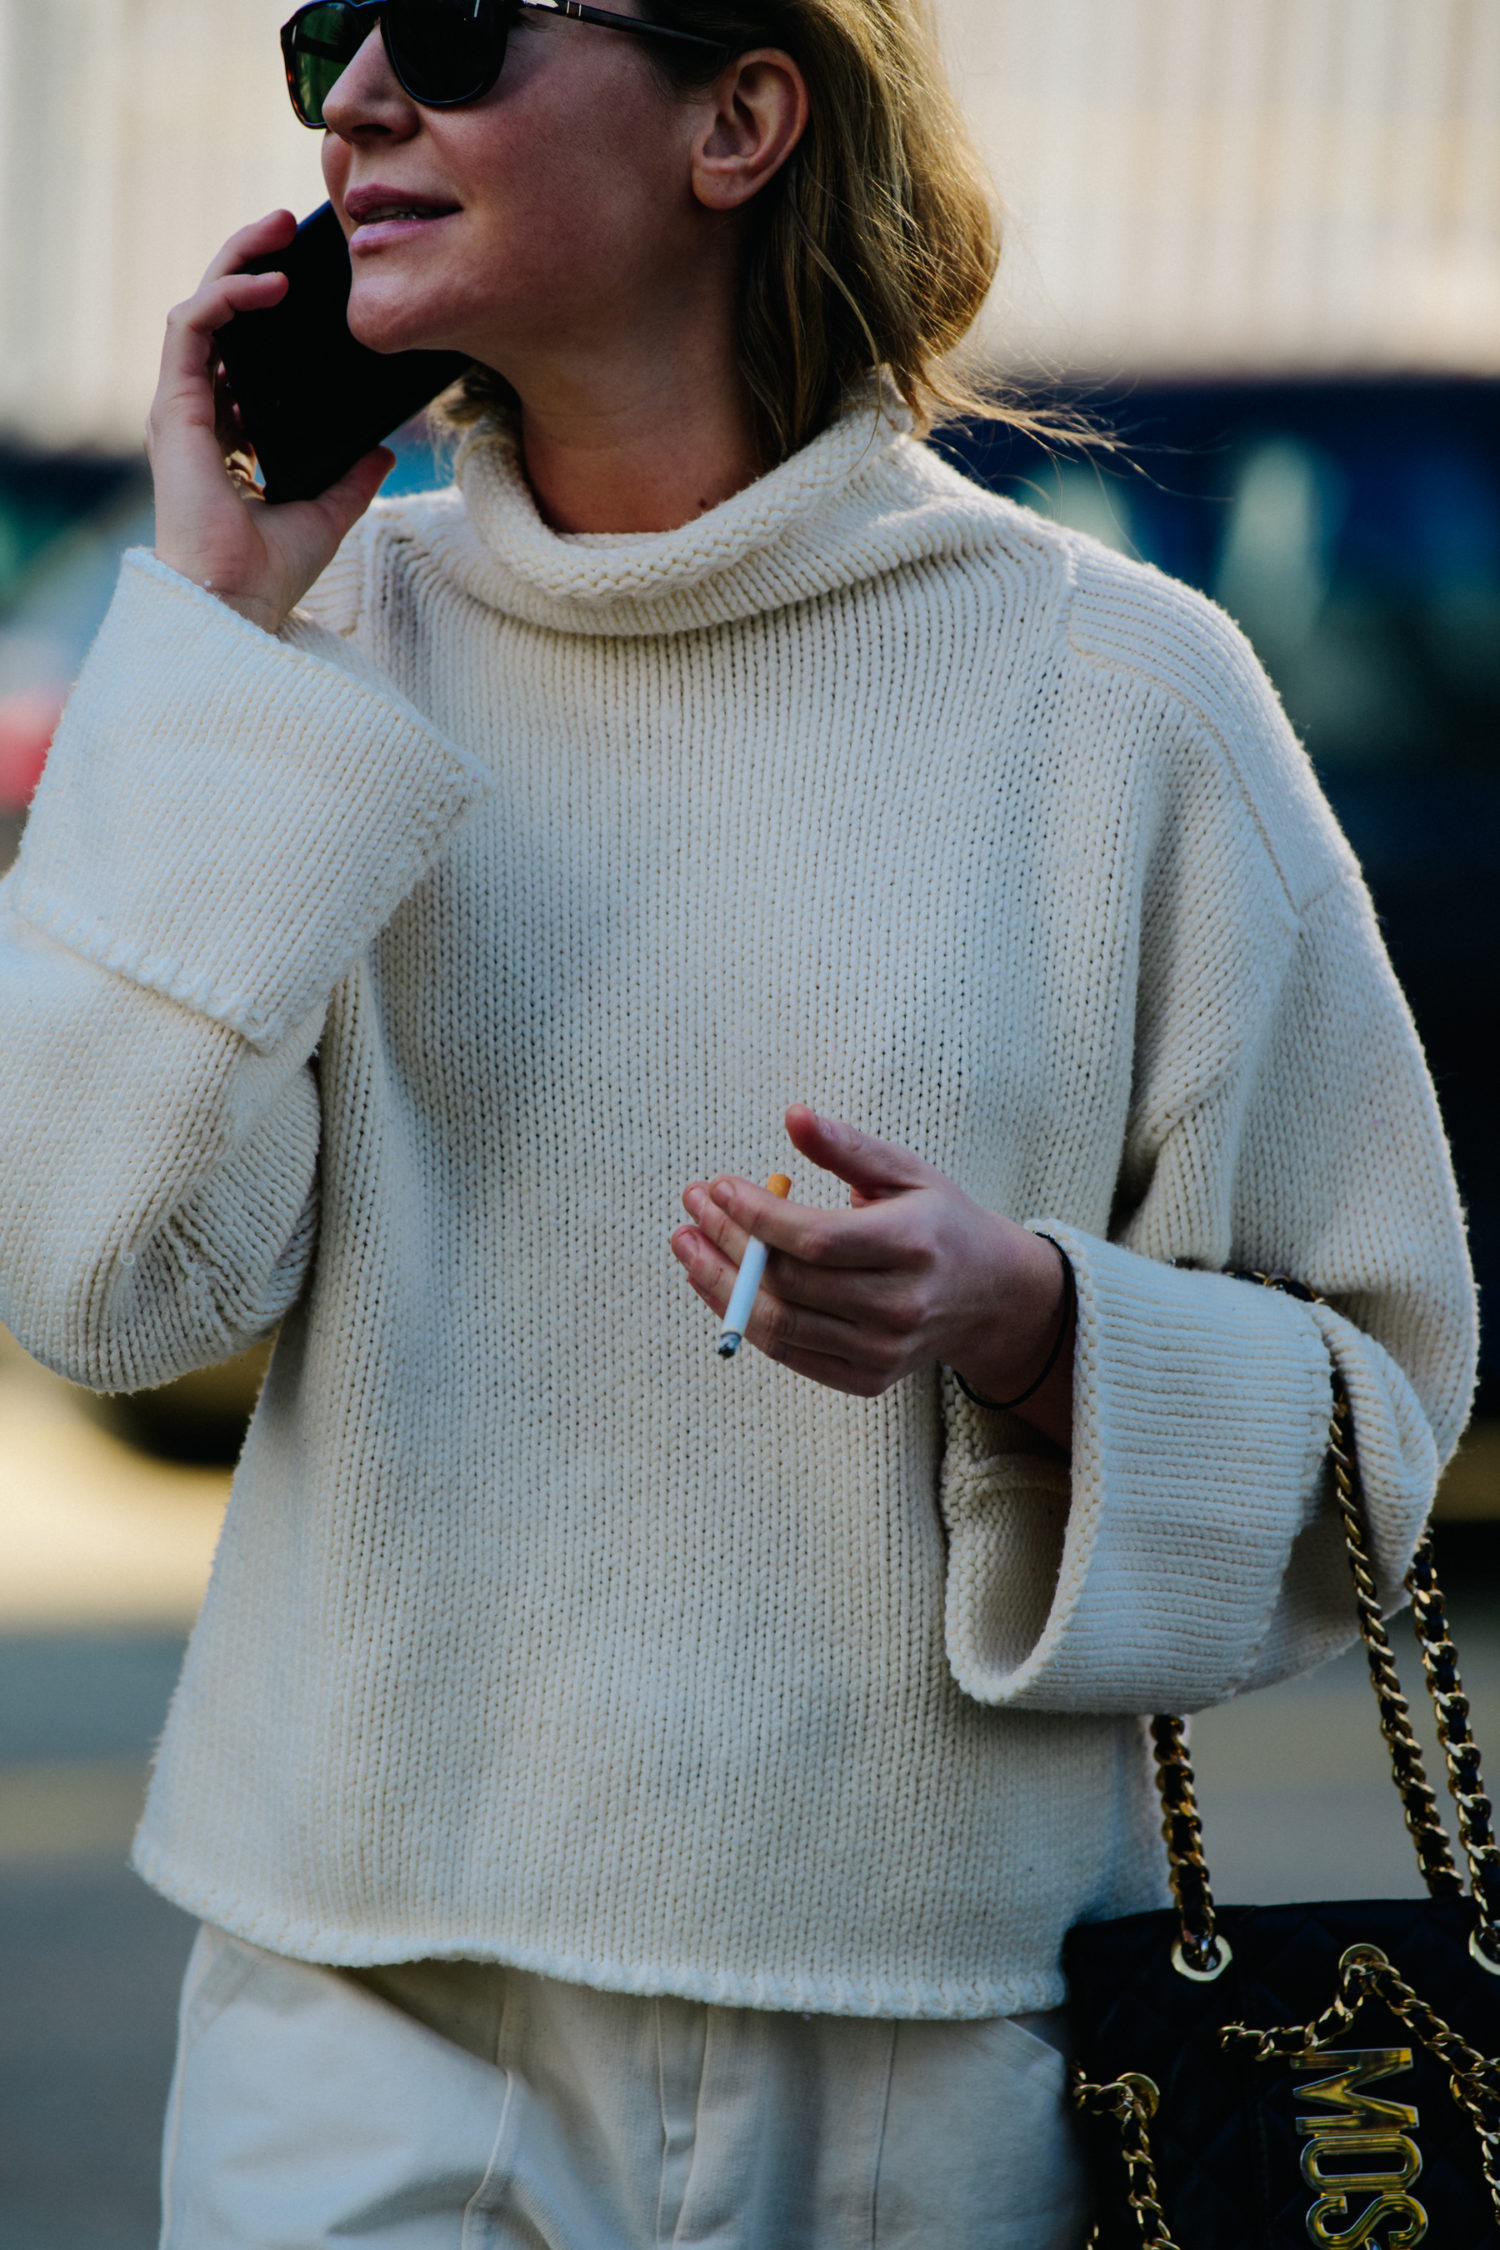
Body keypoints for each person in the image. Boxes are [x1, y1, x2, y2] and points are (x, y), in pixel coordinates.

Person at [0, 0, 1476, 2242]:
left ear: (744, 114)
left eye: (467, 17)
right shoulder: (304, 650)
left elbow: (1383, 1435)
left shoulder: (1122, 701)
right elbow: (87, 1285)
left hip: (924, 2070)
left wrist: (1038, 1324)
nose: (362, 95)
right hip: (356, 2023)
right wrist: (207, 617)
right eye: (329, 36)